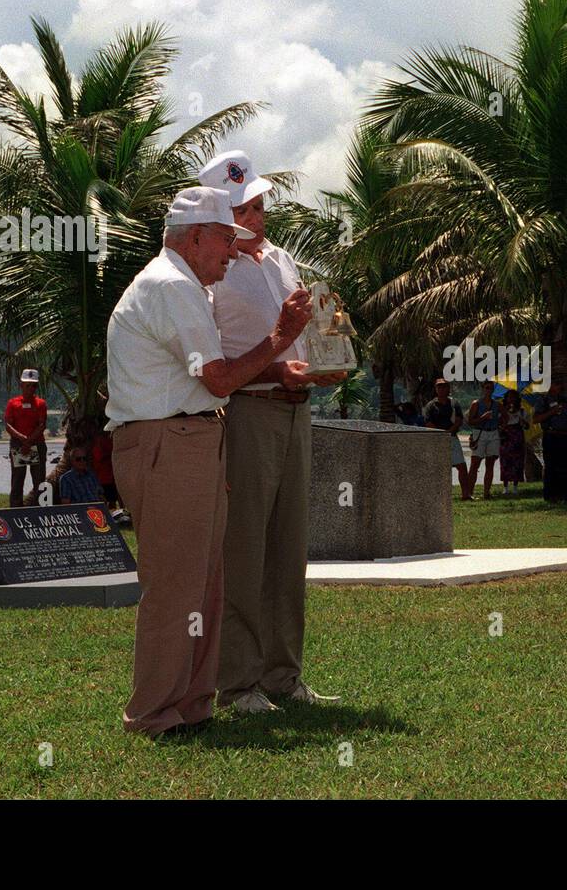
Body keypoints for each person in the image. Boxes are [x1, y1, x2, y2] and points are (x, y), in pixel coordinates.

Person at [105, 185, 312, 737]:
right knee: (177, 585)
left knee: (203, 582)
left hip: (189, 438)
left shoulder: (184, 285)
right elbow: (217, 377)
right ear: (195, 237)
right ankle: (153, 713)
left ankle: (191, 705)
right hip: (168, 440)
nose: (231, 251)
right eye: (225, 238)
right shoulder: (172, 287)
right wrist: (281, 338)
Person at [202, 150, 347, 713]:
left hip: (295, 410)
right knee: (244, 549)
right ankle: (237, 683)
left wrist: (324, 366)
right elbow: (210, 362)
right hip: (248, 411)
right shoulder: (211, 273)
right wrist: (274, 370)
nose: (258, 215)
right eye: (245, 207)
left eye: (260, 203)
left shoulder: (282, 259)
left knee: (289, 551)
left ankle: (284, 676)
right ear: (219, 212)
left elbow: (302, 337)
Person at [5, 369, 48, 507]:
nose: (30, 388)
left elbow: (42, 425)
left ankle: (41, 509)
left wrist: (28, 442)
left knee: (39, 480)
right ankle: (16, 510)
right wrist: (22, 439)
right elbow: (8, 425)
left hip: (36, 443)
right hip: (19, 444)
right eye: (28, 385)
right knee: (17, 479)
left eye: (34, 385)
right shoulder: (13, 403)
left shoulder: (41, 403)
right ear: (21, 385)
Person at [423, 378, 472, 499]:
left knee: (461, 466)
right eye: (439, 387)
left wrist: (449, 432)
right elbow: (428, 423)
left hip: (453, 438)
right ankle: (438, 495)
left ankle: (466, 494)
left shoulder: (454, 403)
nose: (442, 389)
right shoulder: (430, 406)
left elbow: (459, 420)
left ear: (448, 388)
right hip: (437, 440)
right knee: (438, 468)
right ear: (436, 389)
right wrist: (442, 434)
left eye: (444, 386)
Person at [532, 381, 567, 502]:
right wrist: (552, 411)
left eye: (559, 384)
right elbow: (536, 419)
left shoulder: (565, 400)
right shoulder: (543, 400)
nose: (559, 386)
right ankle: (551, 496)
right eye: (556, 384)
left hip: (565, 436)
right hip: (551, 435)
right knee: (551, 467)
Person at [466, 380, 502, 498]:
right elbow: (470, 421)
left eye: (491, 388)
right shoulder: (476, 403)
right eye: (487, 388)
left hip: (493, 433)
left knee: (490, 463)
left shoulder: (497, 404)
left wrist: (501, 426)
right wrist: (482, 418)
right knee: (475, 463)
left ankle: (487, 493)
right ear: (483, 389)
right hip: (480, 433)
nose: (489, 390)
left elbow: (506, 416)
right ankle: (469, 493)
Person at [497, 389, 529, 495]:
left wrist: (522, 421)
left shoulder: (522, 411)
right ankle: (505, 487)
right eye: (509, 397)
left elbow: (527, 426)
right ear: (506, 399)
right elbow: (499, 424)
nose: (511, 399)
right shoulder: (501, 410)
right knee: (505, 462)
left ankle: (515, 486)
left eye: (514, 397)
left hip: (518, 438)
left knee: (517, 462)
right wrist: (505, 413)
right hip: (505, 437)